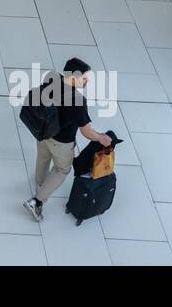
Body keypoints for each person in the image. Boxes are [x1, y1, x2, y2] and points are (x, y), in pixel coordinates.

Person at [22, 58, 113, 222]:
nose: (87, 81)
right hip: (62, 143)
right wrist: (101, 138)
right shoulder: (77, 101)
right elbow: (86, 131)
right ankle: (36, 201)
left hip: (43, 134)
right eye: (84, 77)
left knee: (43, 157)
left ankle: (39, 182)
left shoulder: (51, 78)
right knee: (61, 170)